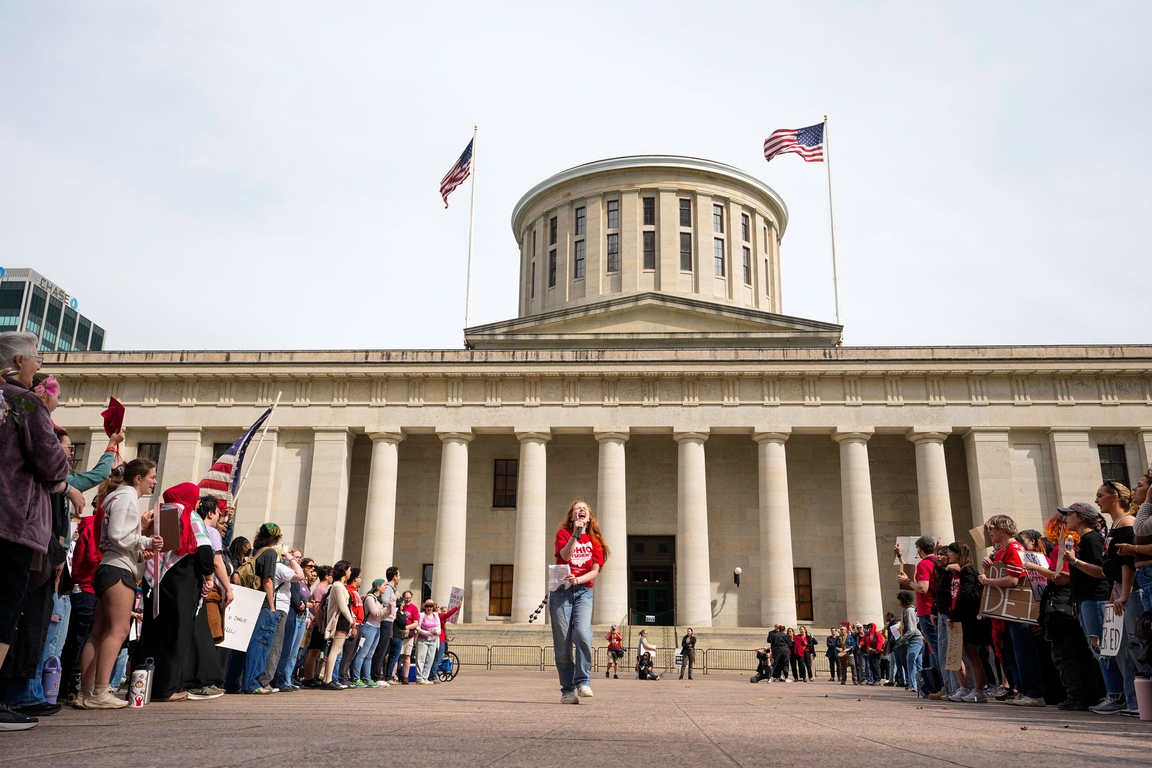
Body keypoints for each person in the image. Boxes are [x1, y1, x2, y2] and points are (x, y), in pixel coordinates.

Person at [0, 333, 71, 729]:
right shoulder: (25, 402)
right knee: (4, 612)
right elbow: (53, 465)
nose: (39, 367)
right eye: (36, 359)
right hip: (11, 523)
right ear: (17, 361)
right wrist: (62, 479)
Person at [75, 458, 161, 710]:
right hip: (116, 568)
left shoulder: (114, 497)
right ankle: (100, 691)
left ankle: (86, 691)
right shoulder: (127, 498)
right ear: (138, 478)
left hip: (109, 566)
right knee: (119, 630)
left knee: (100, 632)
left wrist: (140, 540)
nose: (154, 482)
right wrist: (146, 541)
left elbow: (117, 535)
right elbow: (117, 535)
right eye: (152, 477)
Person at [131, 483, 224, 703]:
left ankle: (142, 685)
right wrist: (208, 576)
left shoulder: (160, 513)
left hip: (153, 581)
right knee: (176, 633)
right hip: (181, 581)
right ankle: (166, 688)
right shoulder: (189, 515)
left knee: (153, 632)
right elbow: (203, 549)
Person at [1023, 513, 1098, 711]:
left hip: (1062, 605)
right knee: (1079, 652)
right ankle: (1087, 695)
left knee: (1064, 655)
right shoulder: (1073, 546)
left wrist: (1036, 568)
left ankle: (1075, 696)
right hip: (1073, 603)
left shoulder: (1061, 549)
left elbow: (1062, 576)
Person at [1060, 501, 1125, 713]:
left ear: (1081, 517)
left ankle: (1116, 695)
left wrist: (1075, 561)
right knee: (1097, 648)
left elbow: (1103, 571)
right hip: (1086, 599)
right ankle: (1113, 693)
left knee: (1102, 648)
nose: (1065, 518)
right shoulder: (1084, 540)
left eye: (1069, 514)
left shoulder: (1091, 539)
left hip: (1095, 599)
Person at [979, 514, 1045, 707]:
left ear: (1003, 529)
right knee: (1012, 651)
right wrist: (991, 567)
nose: (989, 532)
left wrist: (988, 580)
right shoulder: (1004, 550)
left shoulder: (1014, 548)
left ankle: (1033, 692)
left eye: (991, 528)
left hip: (1017, 610)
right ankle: (1023, 690)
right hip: (1008, 611)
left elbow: (1014, 580)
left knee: (1022, 650)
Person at [549, 500, 607, 704]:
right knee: (563, 645)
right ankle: (567, 690)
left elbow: (594, 571)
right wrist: (576, 533)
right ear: (572, 516)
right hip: (561, 592)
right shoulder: (563, 534)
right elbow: (565, 555)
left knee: (582, 634)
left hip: (583, 591)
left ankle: (583, 681)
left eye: (585, 509)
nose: (581, 510)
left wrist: (578, 579)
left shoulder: (596, 541)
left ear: (589, 517)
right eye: (577, 509)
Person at [897, 536, 951, 695]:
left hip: (928, 612)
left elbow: (922, 588)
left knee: (938, 651)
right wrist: (900, 556)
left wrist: (907, 582)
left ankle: (944, 688)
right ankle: (947, 686)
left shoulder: (923, 564)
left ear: (919, 549)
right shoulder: (939, 563)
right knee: (942, 650)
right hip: (938, 610)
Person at [939, 541, 990, 703]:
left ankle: (979, 690)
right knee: (954, 654)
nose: (948, 555)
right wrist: (947, 571)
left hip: (967, 618)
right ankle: (964, 688)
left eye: (950, 552)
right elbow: (941, 591)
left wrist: (954, 616)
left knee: (971, 654)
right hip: (955, 617)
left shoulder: (967, 571)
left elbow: (966, 594)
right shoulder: (951, 572)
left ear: (958, 554)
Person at [258, 547, 304, 691]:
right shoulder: (279, 567)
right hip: (279, 609)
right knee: (275, 647)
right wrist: (290, 558)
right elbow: (300, 575)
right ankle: (265, 681)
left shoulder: (273, 567)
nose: (297, 560)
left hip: (275, 608)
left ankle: (265, 680)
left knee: (271, 646)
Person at [320, 560, 354, 690]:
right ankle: (327, 680)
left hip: (343, 619)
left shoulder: (340, 586)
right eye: (349, 569)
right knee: (335, 650)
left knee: (336, 650)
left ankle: (328, 679)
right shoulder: (338, 586)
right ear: (344, 570)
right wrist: (351, 621)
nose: (350, 572)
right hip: (340, 619)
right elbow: (342, 606)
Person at [354, 578, 388, 687]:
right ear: (378, 587)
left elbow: (382, 616)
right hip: (369, 627)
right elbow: (376, 613)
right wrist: (387, 608)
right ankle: (356, 677)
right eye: (383, 585)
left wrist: (389, 610)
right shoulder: (370, 598)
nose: (385, 587)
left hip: (376, 627)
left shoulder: (377, 600)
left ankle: (367, 678)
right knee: (362, 653)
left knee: (370, 655)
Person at [370, 566, 399, 684]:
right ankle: (375, 675)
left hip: (390, 620)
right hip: (386, 620)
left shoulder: (391, 589)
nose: (400, 577)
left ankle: (377, 673)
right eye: (398, 575)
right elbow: (386, 602)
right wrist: (395, 601)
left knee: (385, 649)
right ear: (394, 576)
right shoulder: (388, 588)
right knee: (381, 648)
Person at [897, 591, 923, 693]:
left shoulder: (909, 611)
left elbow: (912, 629)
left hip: (915, 639)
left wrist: (903, 638)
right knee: (917, 663)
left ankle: (914, 685)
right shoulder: (908, 611)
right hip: (915, 639)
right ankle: (920, 684)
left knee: (910, 660)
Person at [431, 600, 460, 683]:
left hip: (442, 639)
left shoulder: (438, 617)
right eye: (437, 608)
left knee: (436, 659)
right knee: (437, 659)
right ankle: (433, 676)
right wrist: (456, 608)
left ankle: (432, 675)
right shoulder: (438, 617)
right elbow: (447, 615)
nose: (439, 609)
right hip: (440, 640)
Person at [413, 599, 441, 685]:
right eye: (427, 606)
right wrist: (425, 632)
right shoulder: (421, 615)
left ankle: (425, 677)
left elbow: (439, 626)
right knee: (420, 659)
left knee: (430, 659)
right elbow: (417, 627)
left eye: (431, 606)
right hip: (423, 639)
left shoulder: (436, 615)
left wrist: (438, 632)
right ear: (425, 607)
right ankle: (419, 678)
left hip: (433, 640)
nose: (429, 608)